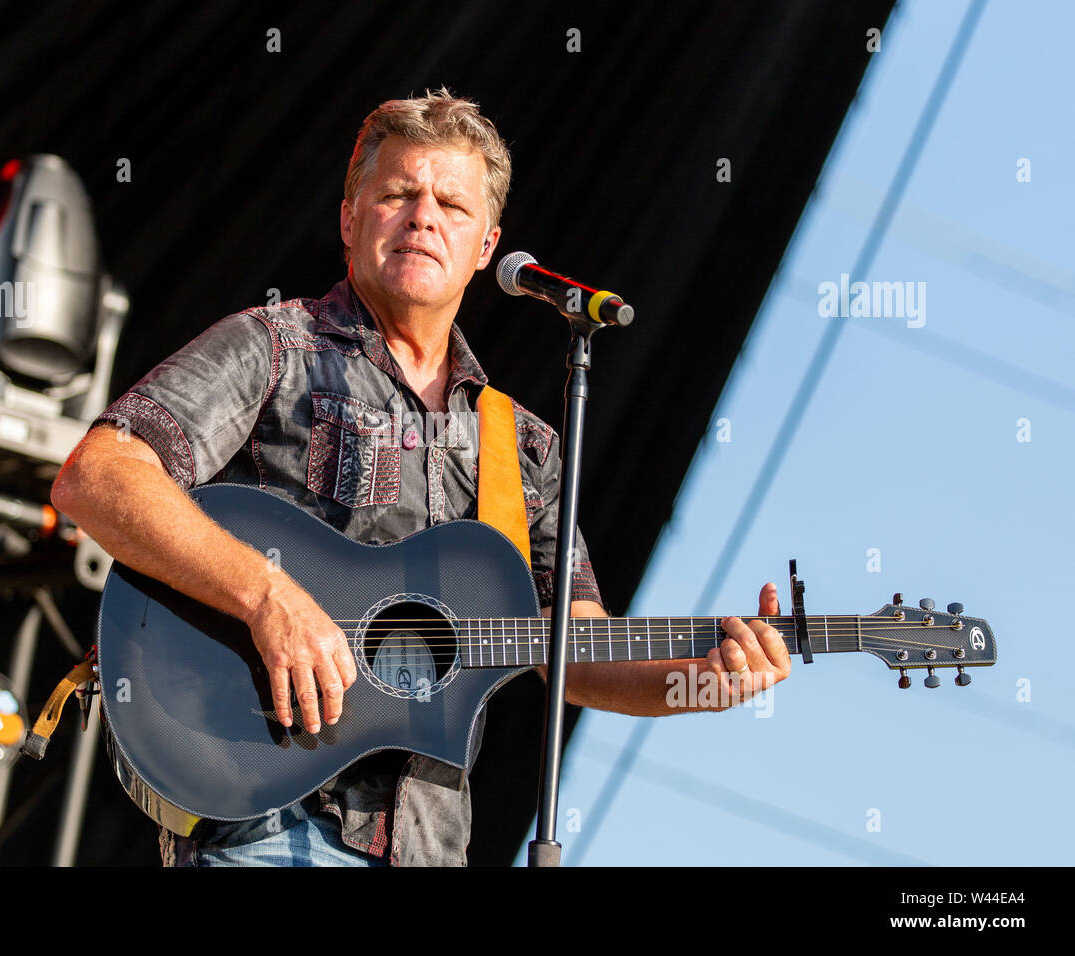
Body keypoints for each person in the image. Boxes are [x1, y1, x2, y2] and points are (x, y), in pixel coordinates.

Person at [50, 89, 791, 867]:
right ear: (349, 218)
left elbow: (578, 652)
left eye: (451, 204)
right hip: (265, 815)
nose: (423, 216)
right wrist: (267, 596)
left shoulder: (522, 448)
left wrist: (701, 678)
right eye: (398, 194)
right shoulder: (274, 347)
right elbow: (98, 475)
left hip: (428, 847)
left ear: (485, 246)